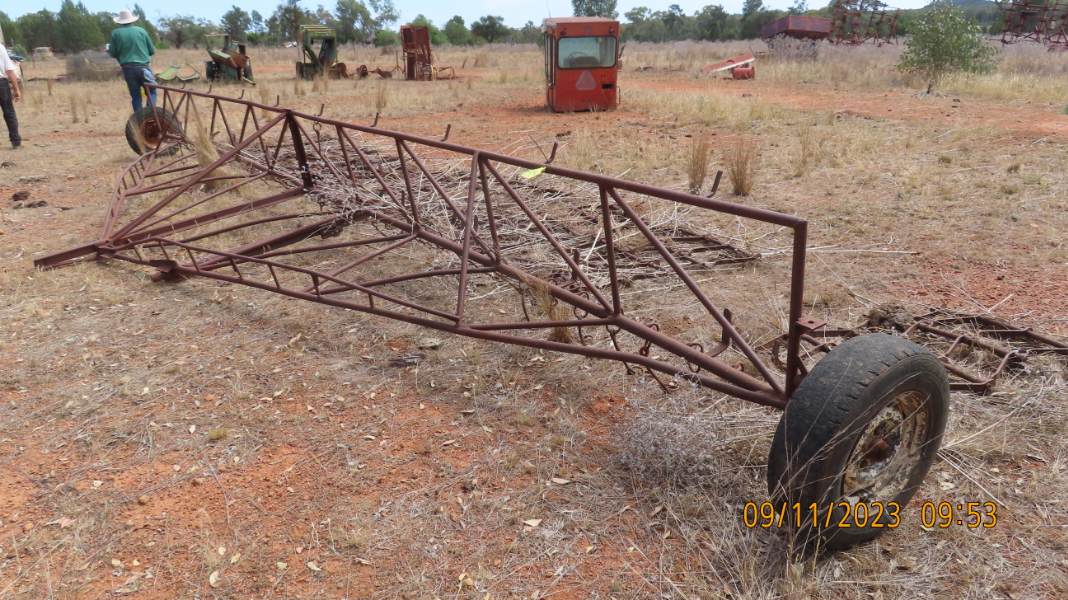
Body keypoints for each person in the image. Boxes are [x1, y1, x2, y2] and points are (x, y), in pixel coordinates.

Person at [109, 8, 157, 111]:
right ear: (133, 20)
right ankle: (150, 114)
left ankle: (139, 121)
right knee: (151, 92)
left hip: (127, 69)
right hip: (143, 67)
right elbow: (152, 51)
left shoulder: (116, 33)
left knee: (136, 96)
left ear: (120, 22)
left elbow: (113, 53)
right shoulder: (141, 31)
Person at [0, 47, 20, 149]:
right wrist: (16, 89)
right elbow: (10, 70)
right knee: (9, 113)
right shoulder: (0, 48)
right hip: (1, 84)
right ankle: (16, 142)